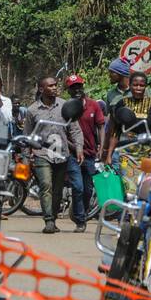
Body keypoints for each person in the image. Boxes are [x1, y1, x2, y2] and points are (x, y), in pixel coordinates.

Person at [24, 76, 85, 234]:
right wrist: (25, 157)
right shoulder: (32, 110)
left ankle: (54, 217)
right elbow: (27, 135)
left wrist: (78, 148)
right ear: (41, 89)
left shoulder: (65, 106)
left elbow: (75, 129)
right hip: (42, 153)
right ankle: (49, 221)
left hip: (62, 154)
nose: (54, 88)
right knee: (46, 186)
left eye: (55, 85)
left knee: (58, 190)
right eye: (50, 86)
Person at [65, 75, 106, 228]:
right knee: (77, 187)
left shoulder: (93, 105)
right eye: (73, 87)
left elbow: (101, 126)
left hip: (90, 153)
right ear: (68, 90)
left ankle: (81, 211)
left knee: (88, 189)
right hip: (72, 153)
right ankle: (80, 221)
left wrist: (101, 146)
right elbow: (63, 131)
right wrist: (74, 147)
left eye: (79, 86)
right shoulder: (66, 108)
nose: (77, 90)